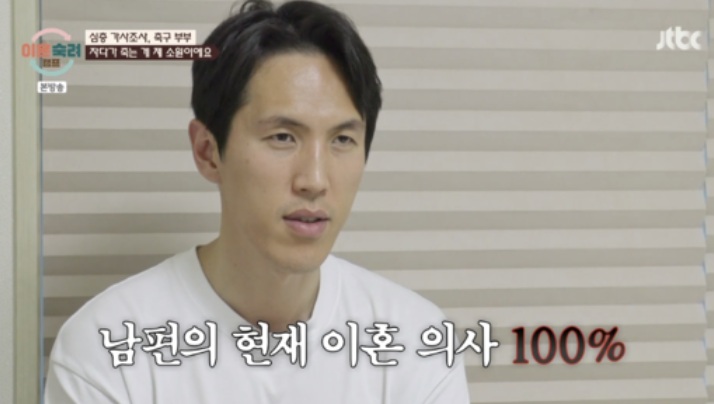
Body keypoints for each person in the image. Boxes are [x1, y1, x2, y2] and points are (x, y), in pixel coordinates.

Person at [44, 1, 471, 402]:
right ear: (208, 151)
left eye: (342, 140)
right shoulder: (106, 349)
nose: (315, 180)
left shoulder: (417, 343)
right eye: (283, 137)